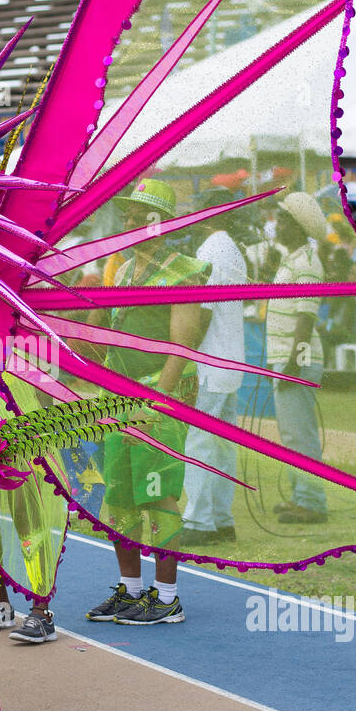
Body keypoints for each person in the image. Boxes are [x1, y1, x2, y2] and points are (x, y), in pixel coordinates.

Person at [84, 179, 205, 625]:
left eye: (140, 214)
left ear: (164, 223)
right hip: (115, 398)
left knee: (159, 495)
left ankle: (167, 597)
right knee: (119, 496)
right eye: (129, 213)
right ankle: (132, 591)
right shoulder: (123, 267)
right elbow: (99, 334)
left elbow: (183, 345)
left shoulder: (186, 272)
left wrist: (154, 402)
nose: (130, 220)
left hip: (158, 399)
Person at [181, 208, 245, 547]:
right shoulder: (233, 250)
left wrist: (184, 351)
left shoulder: (210, 250)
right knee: (221, 447)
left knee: (200, 443)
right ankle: (222, 519)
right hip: (231, 360)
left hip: (210, 361)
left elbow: (203, 311)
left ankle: (199, 521)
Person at [265, 191, 329, 520]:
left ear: (297, 226)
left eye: (283, 220)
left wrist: (292, 364)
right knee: (290, 434)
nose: (277, 225)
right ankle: (300, 495)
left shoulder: (306, 263)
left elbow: (306, 319)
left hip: (298, 360)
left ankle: (312, 502)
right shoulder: (291, 261)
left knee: (299, 433)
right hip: (286, 358)